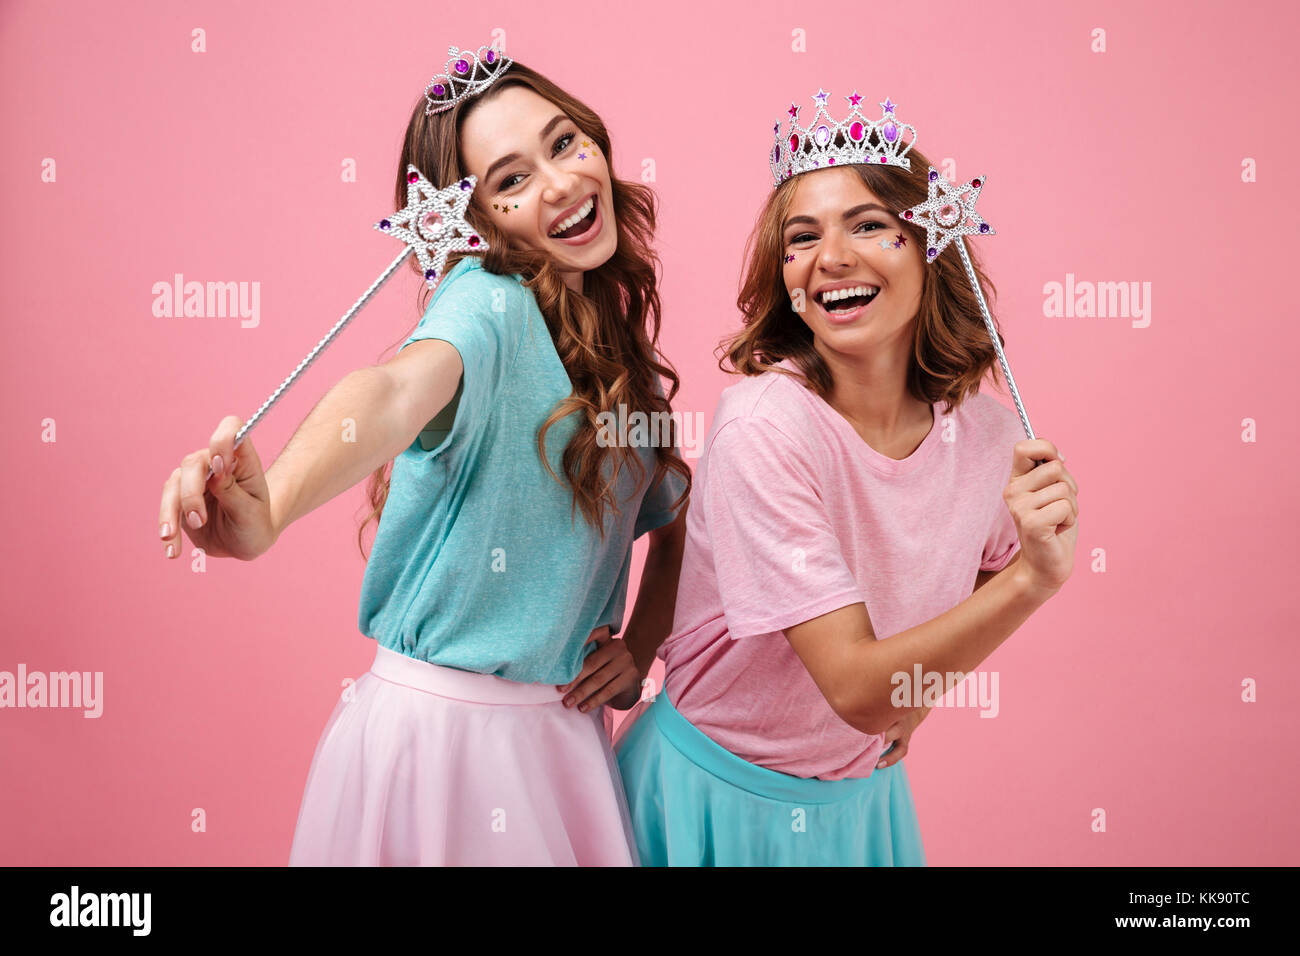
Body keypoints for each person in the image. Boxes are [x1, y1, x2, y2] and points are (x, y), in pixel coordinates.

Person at [155, 44, 689, 865]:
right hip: (443, 748)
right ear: (479, 225)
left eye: (563, 143)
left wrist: (643, 644)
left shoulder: (621, 357)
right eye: (510, 180)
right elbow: (396, 392)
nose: (558, 183)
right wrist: (275, 505)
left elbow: (674, 515)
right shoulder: (486, 304)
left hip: (563, 745)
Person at [614, 91, 1079, 866]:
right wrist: (1033, 581)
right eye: (803, 237)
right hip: (708, 801)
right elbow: (859, 690)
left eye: (869, 225)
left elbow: (981, 568)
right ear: (786, 276)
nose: (831, 256)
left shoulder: (990, 437)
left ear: (934, 247)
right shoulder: (765, 426)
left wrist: (919, 698)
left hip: (860, 805)